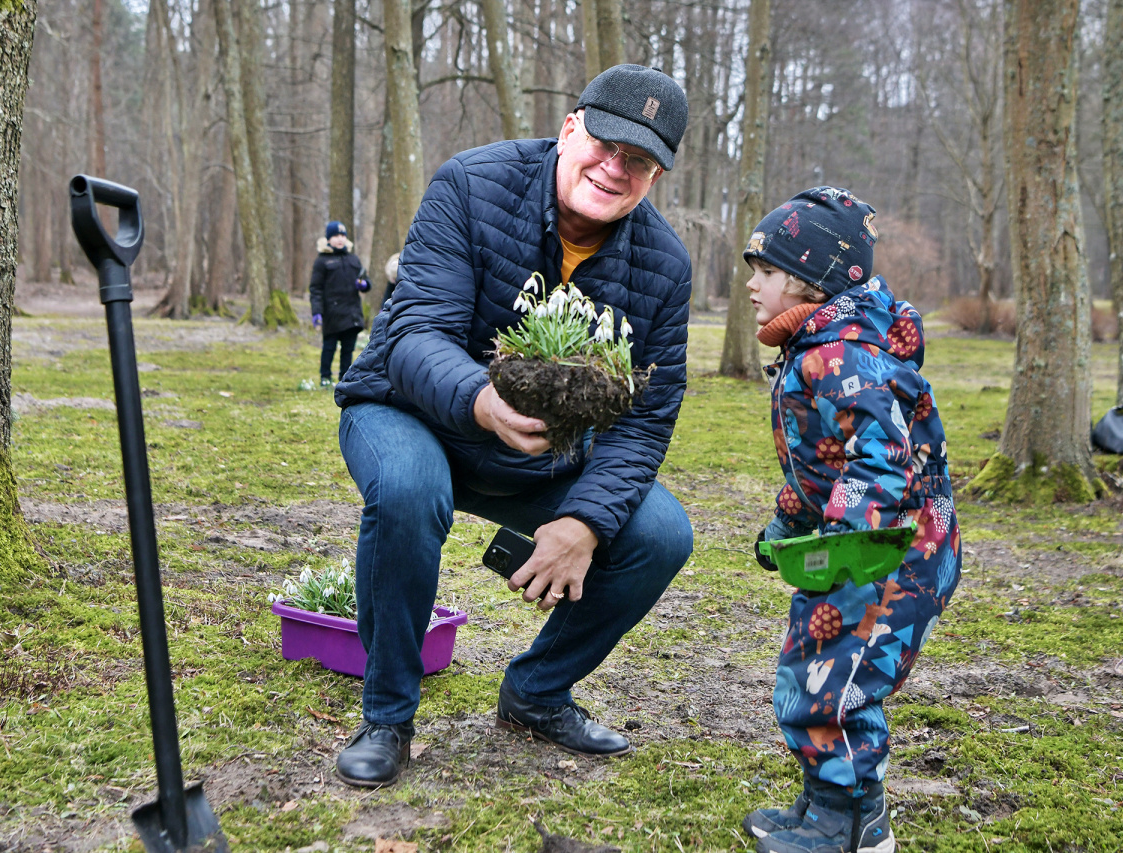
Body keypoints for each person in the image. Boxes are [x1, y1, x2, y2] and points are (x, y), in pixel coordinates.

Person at [332, 64, 695, 788]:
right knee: (406, 488)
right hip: (409, 413)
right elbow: (415, 337)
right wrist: (482, 401)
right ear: (570, 129)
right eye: (605, 144)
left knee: (660, 532)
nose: (614, 168)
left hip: (543, 457)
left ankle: (536, 693)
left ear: (655, 176)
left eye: (640, 161)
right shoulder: (471, 184)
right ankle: (388, 714)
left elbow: (646, 419)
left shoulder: (664, 266)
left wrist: (586, 522)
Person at [739, 188, 961, 853]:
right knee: (810, 664)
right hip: (851, 550)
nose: (752, 285)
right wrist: (786, 533)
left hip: (894, 554)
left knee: (840, 680)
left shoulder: (846, 356)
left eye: (765, 271)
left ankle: (856, 825)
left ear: (809, 280)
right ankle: (822, 799)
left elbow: (883, 458)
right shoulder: (816, 349)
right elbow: (818, 469)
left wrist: (841, 535)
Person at [309, 221, 371, 387]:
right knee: (329, 347)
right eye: (336, 235)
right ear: (328, 239)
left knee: (348, 349)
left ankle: (345, 379)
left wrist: (363, 285)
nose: (340, 239)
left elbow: (366, 281)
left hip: (352, 312)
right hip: (332, 313)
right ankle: (325, 377)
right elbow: (315, 289)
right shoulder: (322, 261)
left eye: (343, 235)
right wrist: (317, 312)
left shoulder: (353, 259)